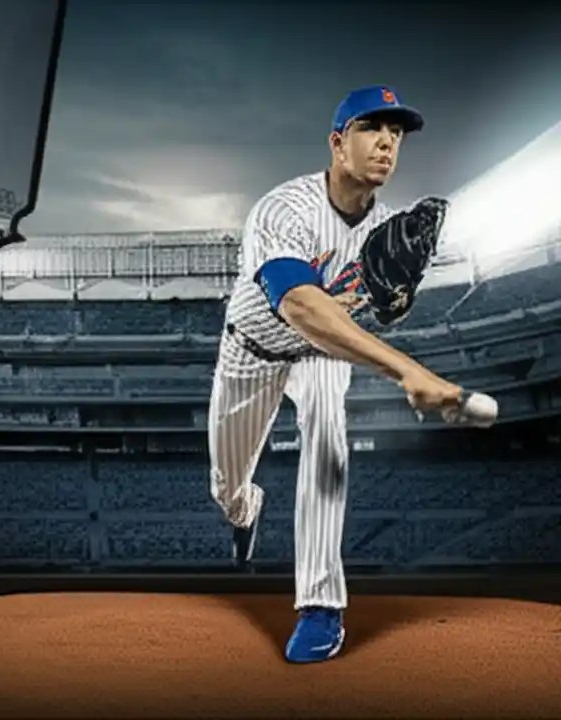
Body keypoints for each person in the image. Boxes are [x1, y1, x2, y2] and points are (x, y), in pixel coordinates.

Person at [207, 85, 464, 664]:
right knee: (224, 484)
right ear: (337, 141)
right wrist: (406, 370)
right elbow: (300, 305)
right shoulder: (284, 208)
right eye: (373, 129)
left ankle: (321, 606)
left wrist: (398, 296)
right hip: (252, 350)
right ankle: (244, 511)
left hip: (320, 357)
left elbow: (387, 305)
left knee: (329, 440)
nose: (387, 144)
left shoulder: (392, 227)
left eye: (396, 135)